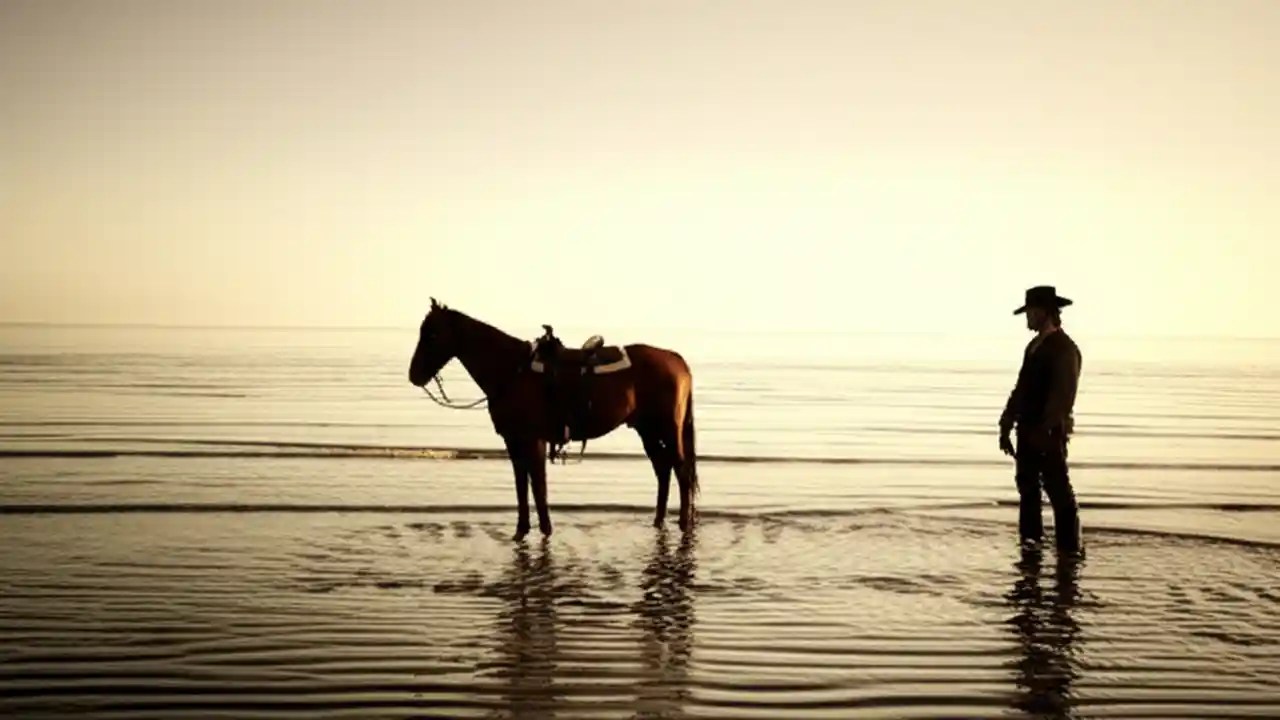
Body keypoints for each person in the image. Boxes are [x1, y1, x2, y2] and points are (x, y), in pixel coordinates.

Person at [999, 286, 1084, 554]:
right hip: (1026, 429)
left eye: (1031, 312)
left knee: (1059, 493)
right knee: (1028, 491)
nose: (1028, 317)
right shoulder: (1034, 346)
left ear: (1045, 312)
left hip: (1048, 433)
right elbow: (1021, 388)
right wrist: (1006, 424)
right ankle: (1031, 546)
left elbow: (1063, 396)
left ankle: (1070, 551)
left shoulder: (1064, 349)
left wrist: (1046, 429)